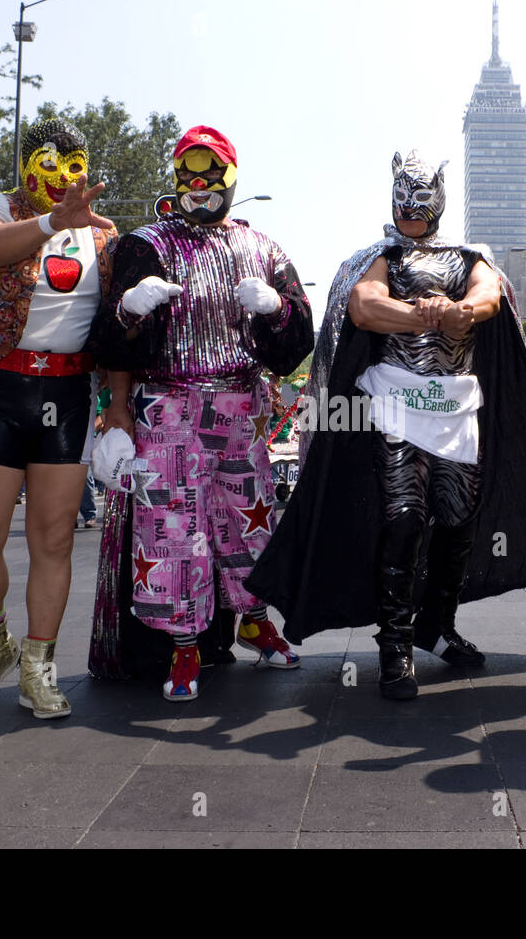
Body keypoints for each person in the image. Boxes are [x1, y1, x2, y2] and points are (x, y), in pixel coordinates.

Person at [249, 150, 526, 699]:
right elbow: (363, 306)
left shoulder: (471, 256)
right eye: (405, 199)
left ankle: (437, 625)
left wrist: (461, 311)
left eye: (421, 200)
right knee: (403, 518)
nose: (412, 210)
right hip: (396, 409)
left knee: (458, 521)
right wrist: (423, 313)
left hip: (455, 409)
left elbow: (489, 296)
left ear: (439, 203)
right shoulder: (381, 257)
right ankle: (395, 645)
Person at [87, 125, 312, 701]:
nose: (199, 183)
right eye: (188, 170)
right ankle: (182, 646)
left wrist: (278, 309)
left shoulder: (263, 248)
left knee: (248, 517)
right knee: (170, 529)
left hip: (239, 407)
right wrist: (128, 314)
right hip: (166, 407)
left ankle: (255, 620)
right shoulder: (143, 246)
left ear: (232, 176)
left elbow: (298, 339)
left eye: (211, 171)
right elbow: (106, 342)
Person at [0, 117, 117, 719]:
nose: (65, 175)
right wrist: (51, 223)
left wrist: (116, 406)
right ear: (26, 162)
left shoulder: (102, 235)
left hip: (67, 393)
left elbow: (114, 327)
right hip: (0, 383)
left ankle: (39, 668)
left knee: (52, 538)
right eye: (51, 161)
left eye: (76, 164)